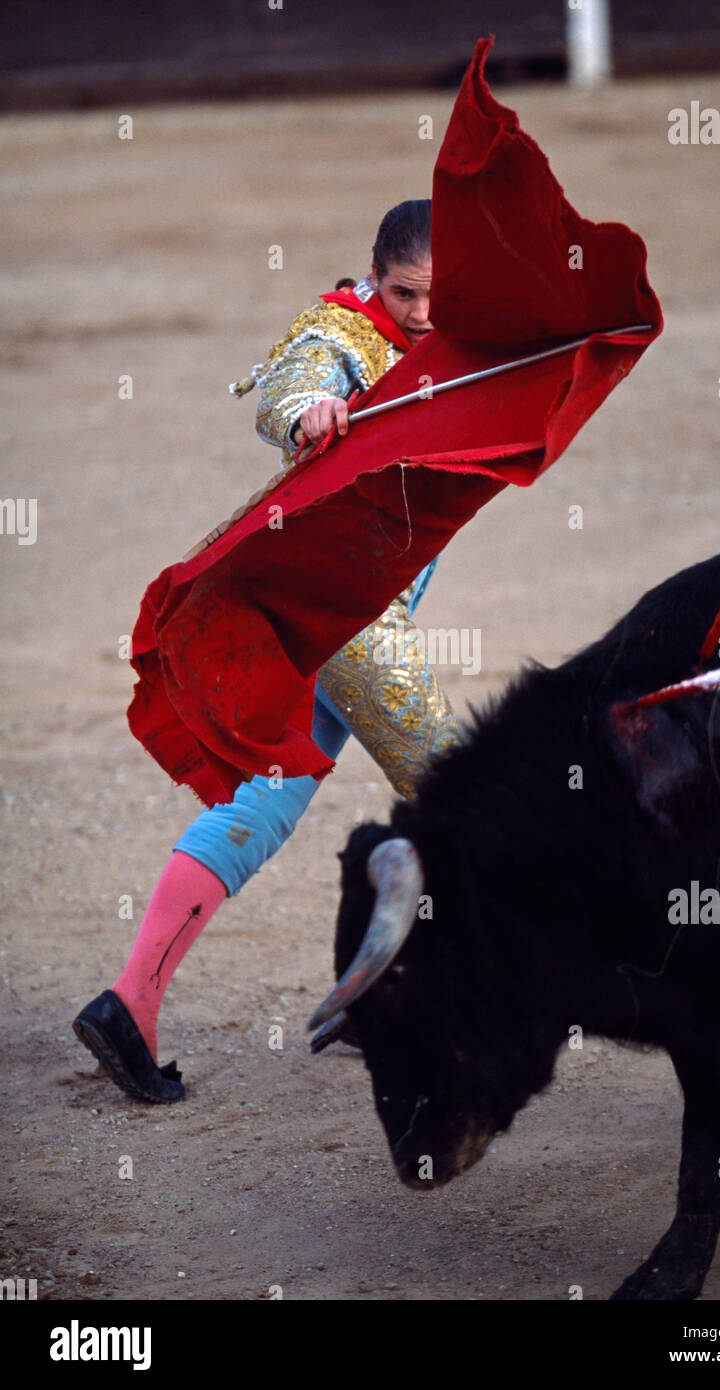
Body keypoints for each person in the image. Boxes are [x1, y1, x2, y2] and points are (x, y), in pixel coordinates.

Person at [73, 200, 461, 1103]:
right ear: (375, 279)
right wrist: (310, 414)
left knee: (269, 802)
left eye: (440, 297)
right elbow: (297, 385)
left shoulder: (453, 336)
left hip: (327, 620)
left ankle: (130, 1003)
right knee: (464, 801)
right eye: (405, 294)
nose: (422, 315)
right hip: (353, 625)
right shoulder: (342, 330)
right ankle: (406, 1006)